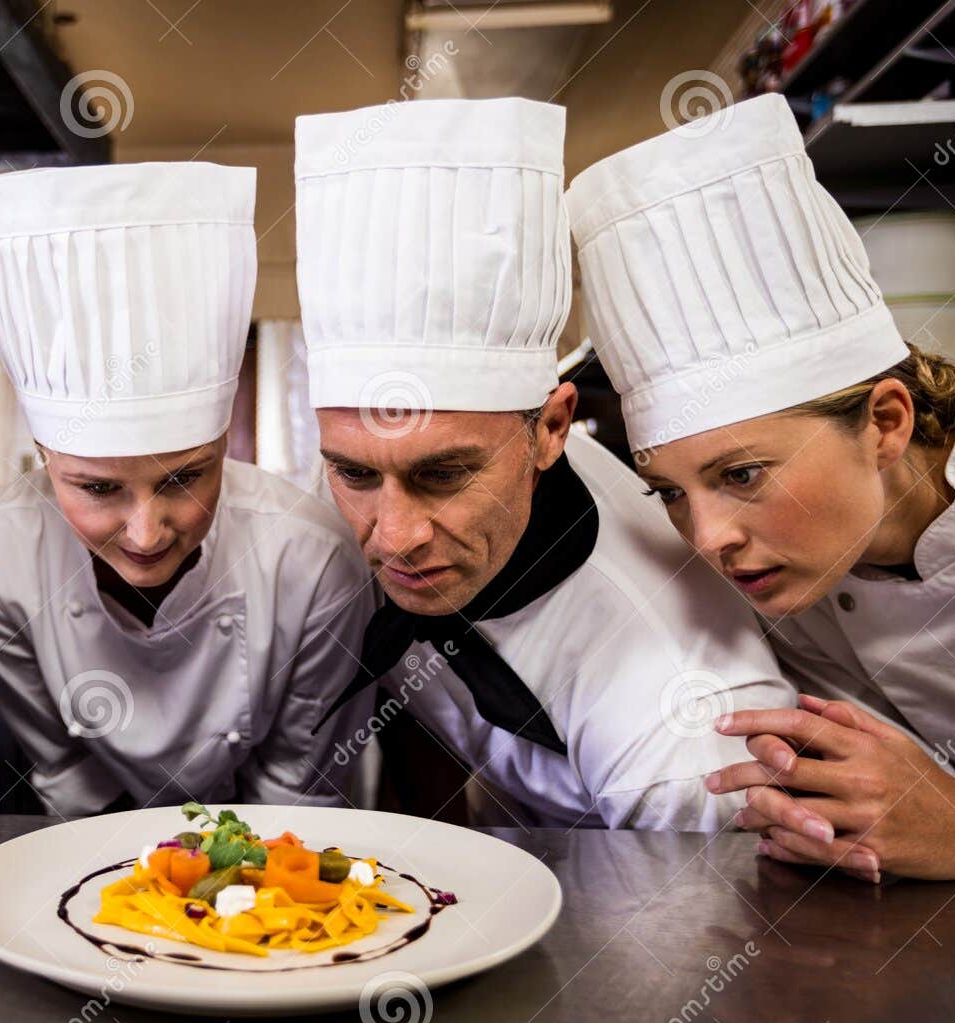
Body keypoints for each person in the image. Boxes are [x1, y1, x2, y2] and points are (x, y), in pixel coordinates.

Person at [569, 91, 955, 881]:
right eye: (672, 491)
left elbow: (948, 822)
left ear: (886, 423)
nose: (709, 538)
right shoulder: (791, 597)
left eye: (741, 474)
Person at [299, 96, 797, 830]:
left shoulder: (683, 723)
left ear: (551, 427)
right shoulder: (388, 500)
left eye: (443, 476)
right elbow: (421, 709)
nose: (394, 536)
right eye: (356, 474)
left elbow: (697, 934)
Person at [0, 161, 374, 816]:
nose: (147, 531)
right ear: (43, 459)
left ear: (225, 445)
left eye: (184, 478)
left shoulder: (313, 559)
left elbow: (297, 796)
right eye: (98, 487)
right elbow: (65, 771)